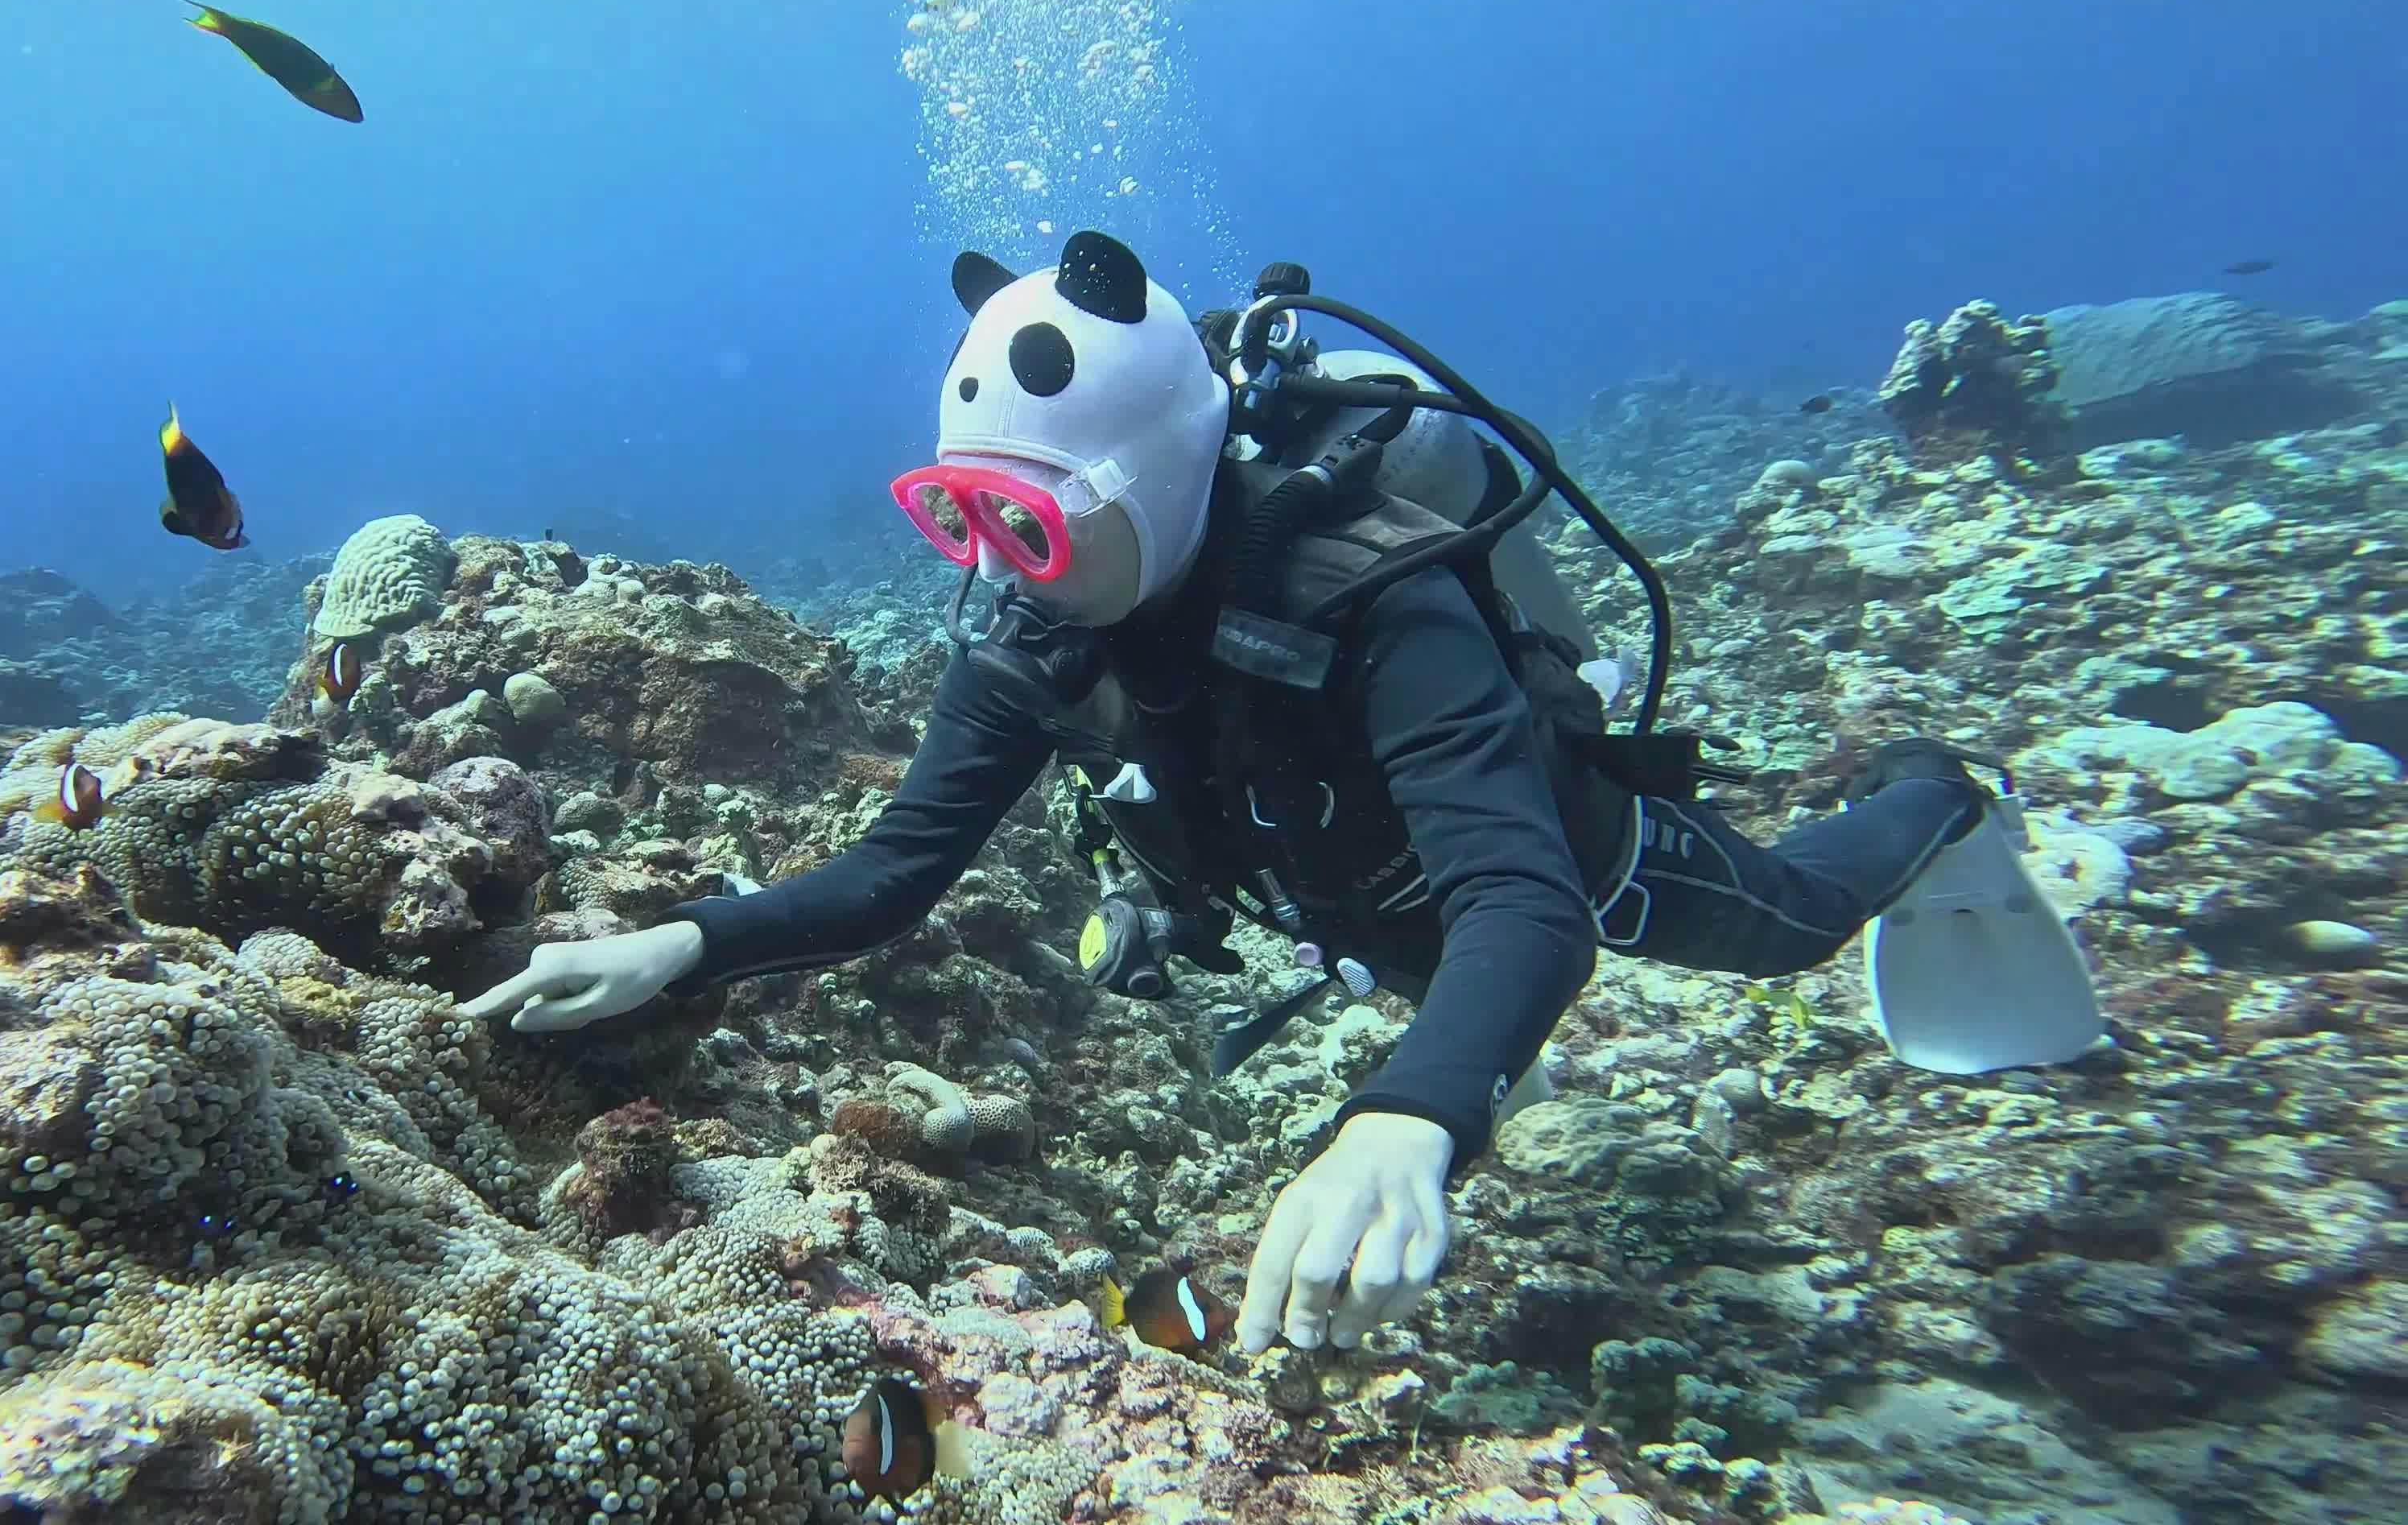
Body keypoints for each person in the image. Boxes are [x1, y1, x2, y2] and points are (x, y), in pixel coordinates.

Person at [464, 229, 2097, 1358]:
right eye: (961, 519)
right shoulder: (1039, 627)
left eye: (1031, 523)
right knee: (1431, 994)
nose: (1000, 569)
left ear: (1153, 473)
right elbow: (894, 874)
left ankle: (1938, 794)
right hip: (1347, 909)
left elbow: (1523, 904)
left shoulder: (1371, 595)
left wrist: (1409, 1116)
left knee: (1790, 925)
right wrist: (683, 942)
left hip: (1549, 865)